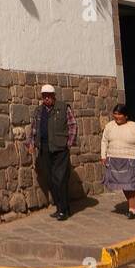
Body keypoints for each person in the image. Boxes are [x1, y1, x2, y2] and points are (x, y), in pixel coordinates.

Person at [27, 84, 77, 220]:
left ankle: (63, 210)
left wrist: (69, 143)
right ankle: (61, 208)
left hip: (60, 148)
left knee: (59, 178)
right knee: (51, 179)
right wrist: (31, 143)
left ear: (54, 96)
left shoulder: (63, 108)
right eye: (44, 96)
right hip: (44, 148)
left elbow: (72, 125)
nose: (46, 99)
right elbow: (33, 128)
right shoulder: (39, 111)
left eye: (49, 96)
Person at [101, 103, 135, 219]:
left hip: (131, 160)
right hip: (115, 159)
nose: (117, 117)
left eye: (120, 114)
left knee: (130, 185)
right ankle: (133, 206)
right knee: (123, 185)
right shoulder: (109, 126)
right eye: (115, 114)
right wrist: (103, 155)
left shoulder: (134, 127)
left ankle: (132, 210)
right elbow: (104, 141)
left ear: (126, 116)